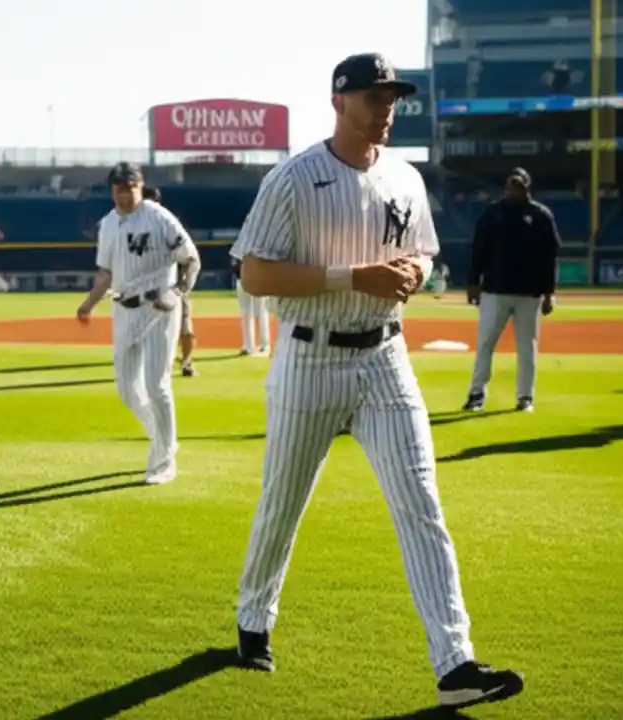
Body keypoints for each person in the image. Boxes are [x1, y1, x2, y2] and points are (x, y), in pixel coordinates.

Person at [228, 52, 523, 711]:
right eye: (374, 95)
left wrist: (415, 272)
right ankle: (253, 617)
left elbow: (421, 249)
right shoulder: (295, 178)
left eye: (392, 96)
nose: (387, 107)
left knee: (421, 505)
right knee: (282, 505)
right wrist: (351, 276)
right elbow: (254, 274)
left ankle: (456, 663)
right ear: (339, 101)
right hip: (310, 358)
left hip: (386, 358)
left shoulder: (405, 176)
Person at [76, 163, 201, 484]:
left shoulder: (157, 216)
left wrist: (178, 291)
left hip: (159, 306)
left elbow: (191, 258)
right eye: (119, 186)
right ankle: (163, 438)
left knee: (157, 385)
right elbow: (105, 272)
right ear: (111, 190)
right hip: (124, 309)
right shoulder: (107, 225)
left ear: (141, 186)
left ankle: (164, 461)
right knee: (127, 389)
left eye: (131, 185)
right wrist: (89, 303)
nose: (125, 191)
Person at [461, 167, 560, 413]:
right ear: (505, 187)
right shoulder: (492, 214)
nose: (514, 189)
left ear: (528, 187)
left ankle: (525, 397)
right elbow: (478, 251)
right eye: (510, 185)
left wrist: (549, 293)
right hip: (495, 290)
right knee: (485, 343)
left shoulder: (540, 215)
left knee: (527, 346)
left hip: (529, 294)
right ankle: (477, 394)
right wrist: (473, 283)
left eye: (519, 185)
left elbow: (550, 257)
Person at [144, 186, 200, 377]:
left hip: (172, 285)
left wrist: (182, 286)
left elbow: (189, 257)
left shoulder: (168, 224)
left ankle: (186, 362)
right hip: (146, 287)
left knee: (184, 326)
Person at [234, 257, 271, 356]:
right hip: (241, 279)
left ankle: (265, 346)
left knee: (262, 312)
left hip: (260, 278)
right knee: (245, 313)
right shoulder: (241, 244)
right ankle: (248, 346)